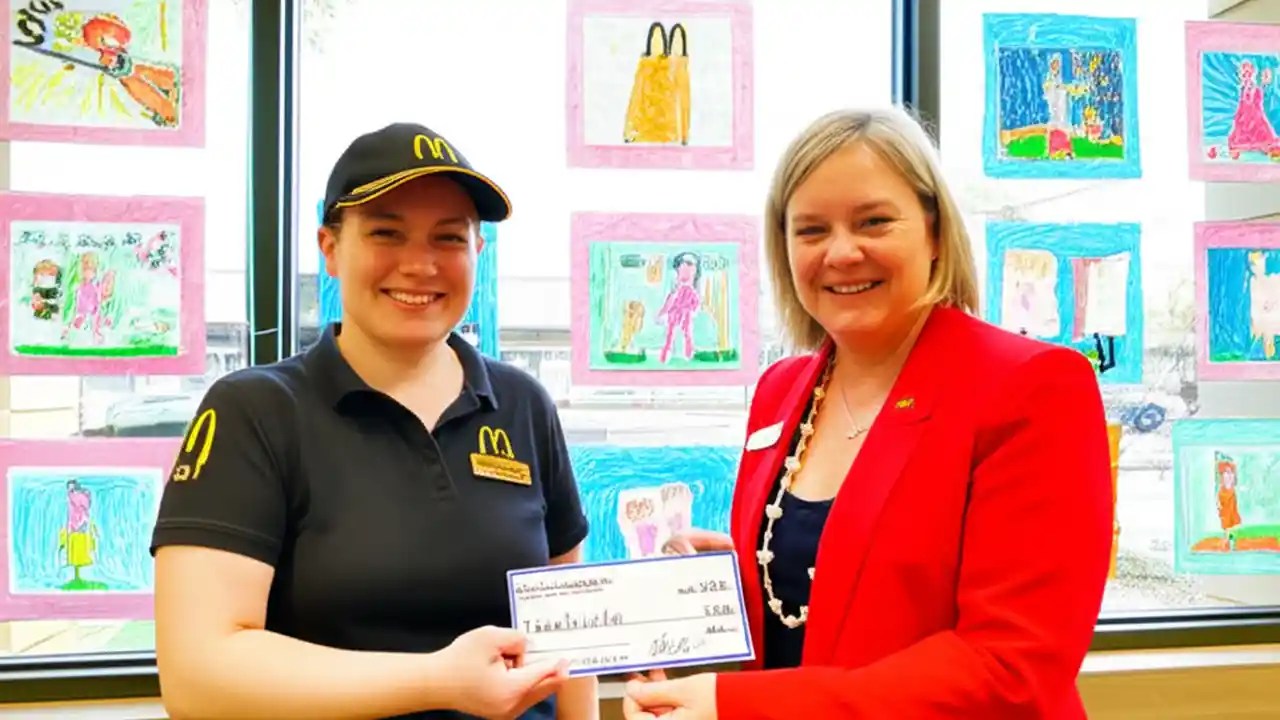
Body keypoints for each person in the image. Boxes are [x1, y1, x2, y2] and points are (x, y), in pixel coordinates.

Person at [624, 107, 1115, 719]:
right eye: (810, 230)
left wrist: (737, 706)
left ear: (935, 232)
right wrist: (737, 573)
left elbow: (1009, 665)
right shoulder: (781, 390)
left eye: (874, 221)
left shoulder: (1032, 387)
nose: (842, 252)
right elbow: (854, 580)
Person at [151, 122, 596, 720]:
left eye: (449, 238)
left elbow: (570, 630)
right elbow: (199, 679)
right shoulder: (253, 412)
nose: (420, 264)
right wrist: (438, 680)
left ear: (478, 253)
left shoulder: (523, 405)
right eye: (387, 233)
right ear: (330, 249)